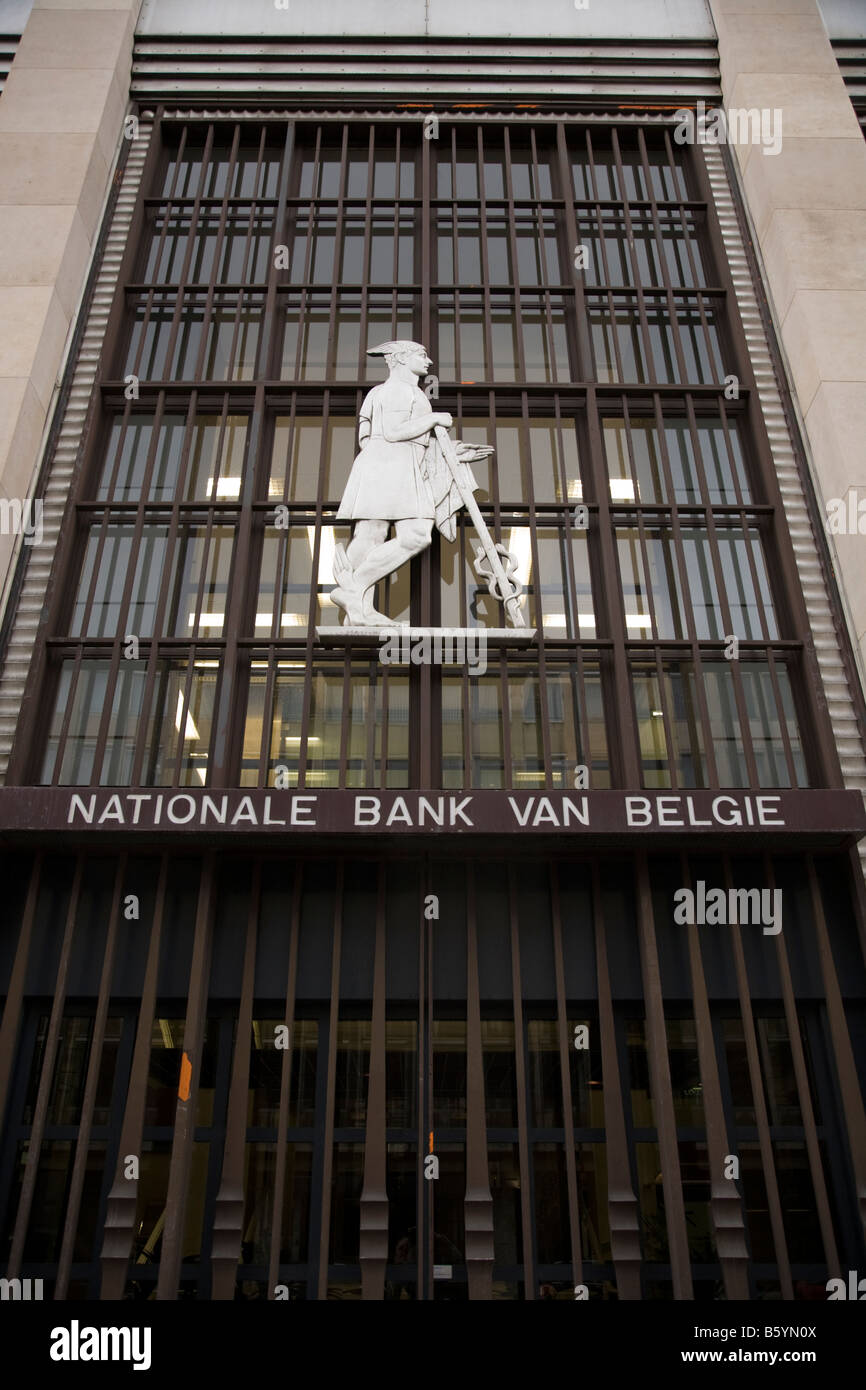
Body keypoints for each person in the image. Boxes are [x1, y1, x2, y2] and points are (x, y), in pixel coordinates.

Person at [331, 340, 492, 625]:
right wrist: (433, 418)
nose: (428, 362)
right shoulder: (400, 391)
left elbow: (369, 437)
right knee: (414, 534)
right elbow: (393, 433)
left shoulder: (385, 392)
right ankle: (353, 592)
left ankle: (359, 610)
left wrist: (453, 451)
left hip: (385, 464)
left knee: (371, 535)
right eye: (422, 355)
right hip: (393, 465)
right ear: (402, 359)